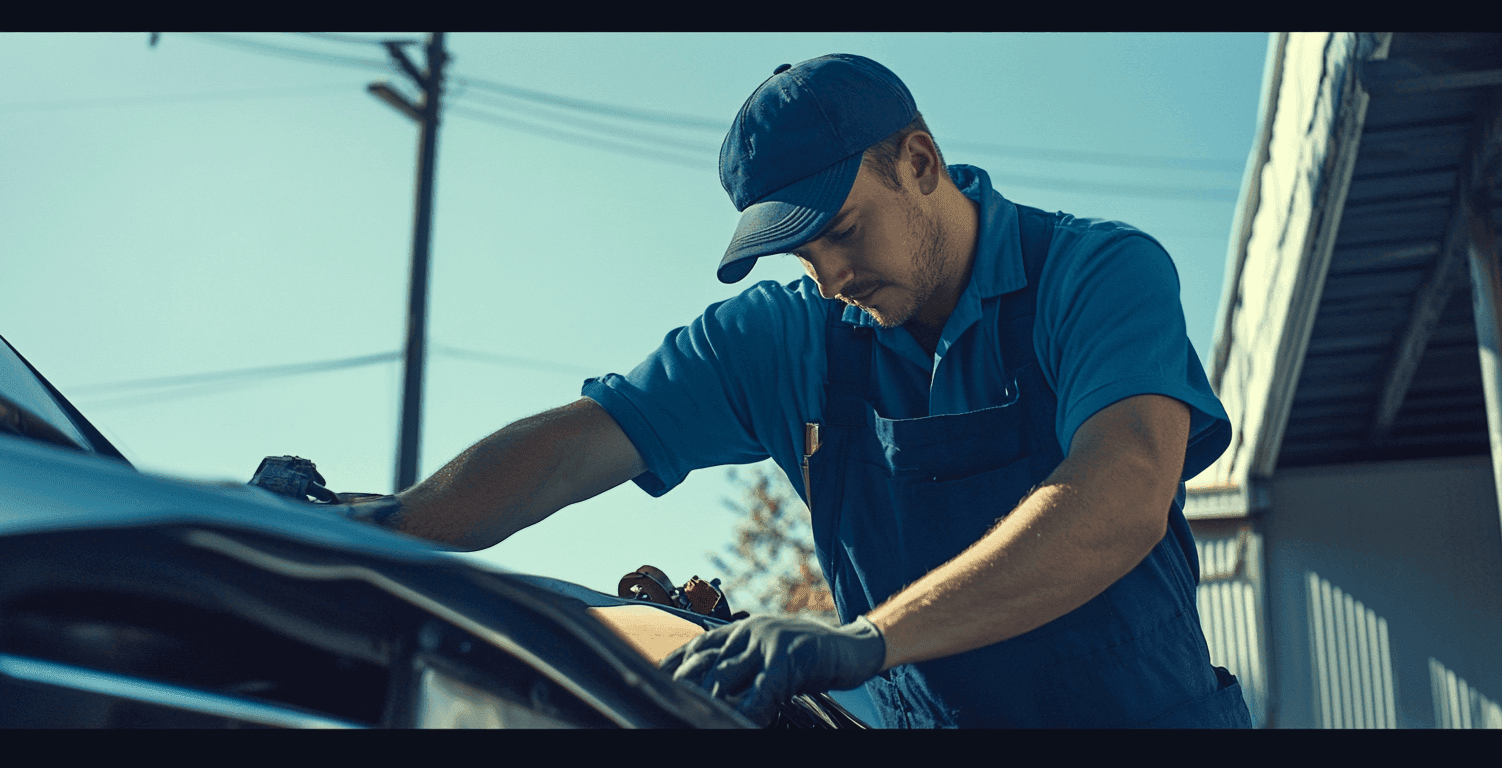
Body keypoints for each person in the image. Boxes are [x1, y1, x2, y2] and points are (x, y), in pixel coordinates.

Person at [349, 54, 1251, 728]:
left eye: (845, 232)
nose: (830, 280)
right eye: (800, 254)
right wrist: (365, 535)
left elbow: (1123, 489)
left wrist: (866, 639)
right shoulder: (787, 340)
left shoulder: (1097, 272)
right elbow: (570, 450)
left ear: (920, 162)